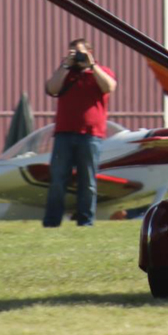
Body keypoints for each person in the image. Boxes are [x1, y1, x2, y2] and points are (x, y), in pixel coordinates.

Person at [42, 37, 116, 227]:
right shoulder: (66, 73)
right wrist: (65, 66)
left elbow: (109, 86)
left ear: (90, 52)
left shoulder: (101, 72)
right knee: (58, 179)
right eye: (73, 53)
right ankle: (52, 221)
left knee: (88, 181)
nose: (77, 57)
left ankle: (86, 221)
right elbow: (51, 88)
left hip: (91, 135)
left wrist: (92, 66)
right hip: (64, 134)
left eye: (80, 52)